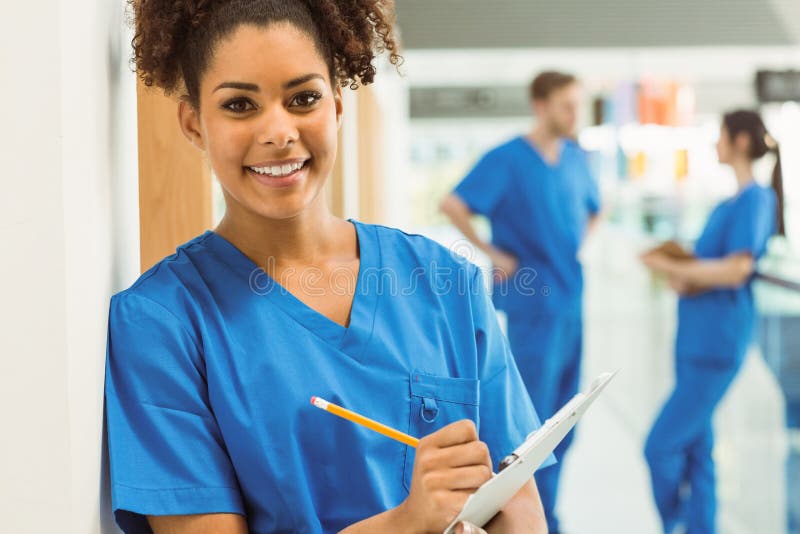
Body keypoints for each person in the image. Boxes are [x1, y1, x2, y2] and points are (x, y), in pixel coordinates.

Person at [105, 1, 554, 533]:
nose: (279, 131)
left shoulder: (443, 280)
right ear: (194, 123)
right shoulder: (161, 323)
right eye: (240, 105)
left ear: (338, 107)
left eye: (304, 99)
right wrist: (405, 523)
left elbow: (517, 500)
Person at [440, 71, 601, 533]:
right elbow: (452, 204)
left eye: (578, 104)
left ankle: (549, 513)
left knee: (569, 421)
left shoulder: (575, 158)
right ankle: (532, 518)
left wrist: (577, 246)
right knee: (533, 428)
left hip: (571, 300)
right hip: (532, 306)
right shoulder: (508, 159)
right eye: (566, 105)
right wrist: (493, 253)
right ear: (540, 105)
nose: (575, 115)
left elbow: (596, 207)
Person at [641, 110, 784, 534]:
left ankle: (679, 523)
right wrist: (680, 272)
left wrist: (675, 267)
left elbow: (736, 269)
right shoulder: (728, 204)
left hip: (717, 344)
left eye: (720, 135)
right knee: (697, 451)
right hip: (695, 342)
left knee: (660, 446)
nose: (715, 144)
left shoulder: (757, 199)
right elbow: (710, 266)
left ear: (740, 141)